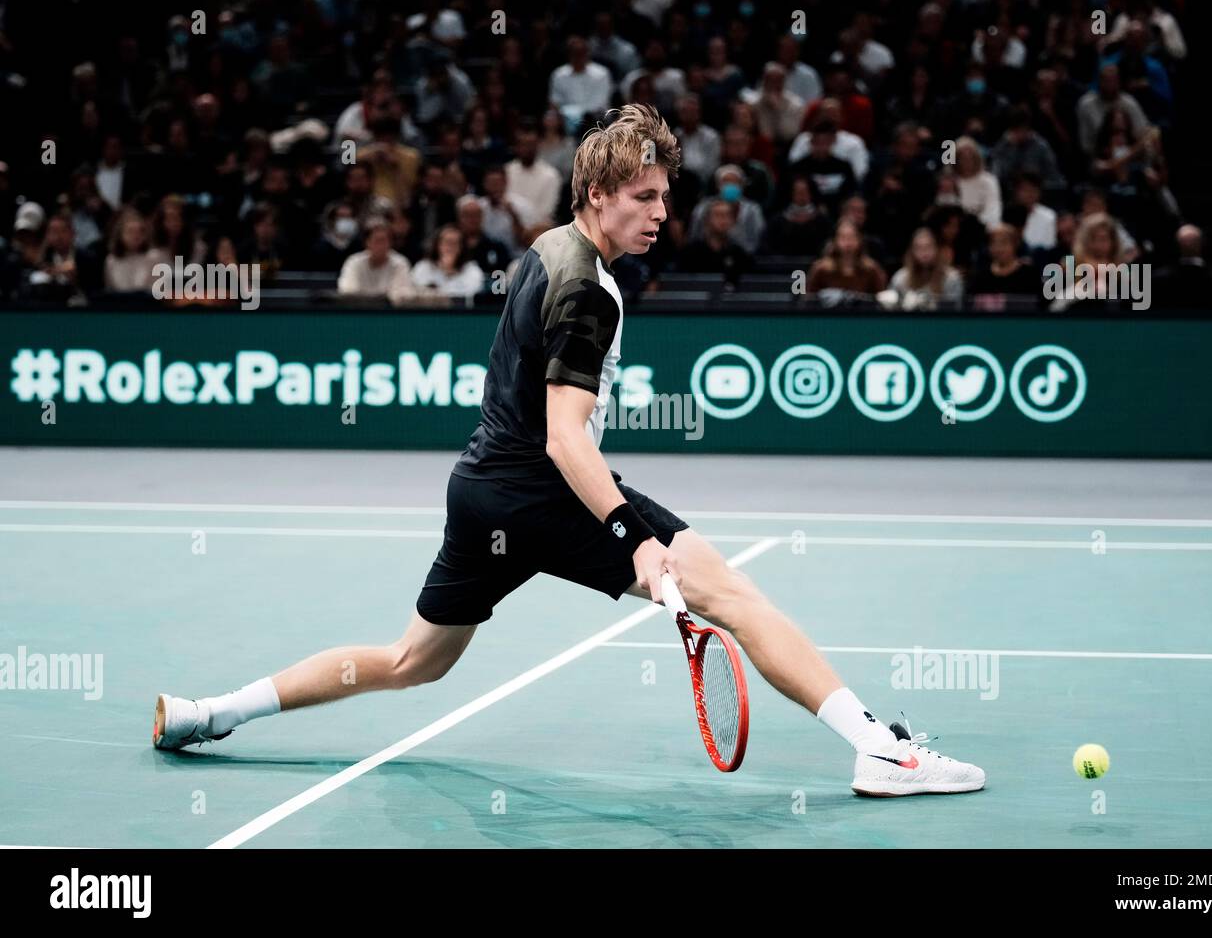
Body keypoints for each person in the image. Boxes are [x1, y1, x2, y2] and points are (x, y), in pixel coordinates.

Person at [153, 104, 985, 798]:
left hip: (480, 489)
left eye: (666, 196)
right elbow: (563, 435)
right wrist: (635, 535)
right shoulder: (589, 289)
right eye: (645, 196)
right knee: (733, 593)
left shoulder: (550, 245)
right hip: (545, 489)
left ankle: (212, 711)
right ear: (598, 193)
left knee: (411, 661)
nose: (662, 213)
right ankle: (880, 749)